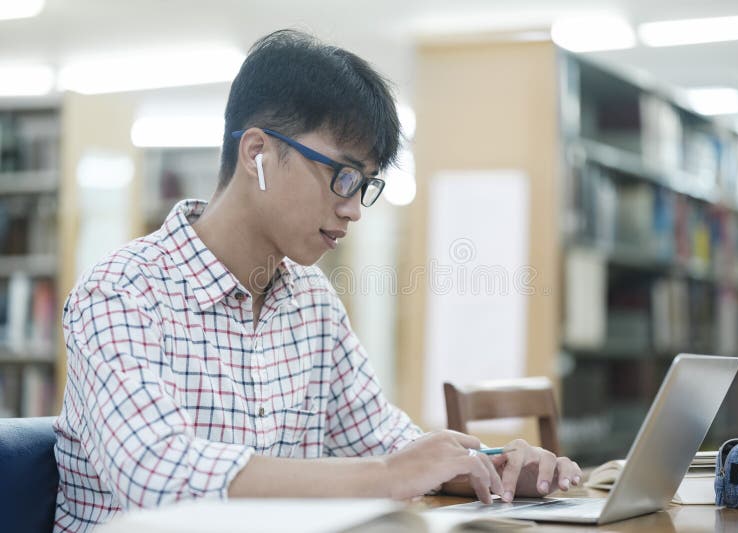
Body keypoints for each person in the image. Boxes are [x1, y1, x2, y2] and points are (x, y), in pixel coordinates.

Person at [53, 29, 582, 532]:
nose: (353, 210)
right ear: (258, 153)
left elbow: (384, 441)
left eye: (364, 186)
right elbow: (155, 472)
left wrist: (494, 468)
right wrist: (385, 477)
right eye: (343, 176)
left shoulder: (311, 302)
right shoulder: (122, 291)